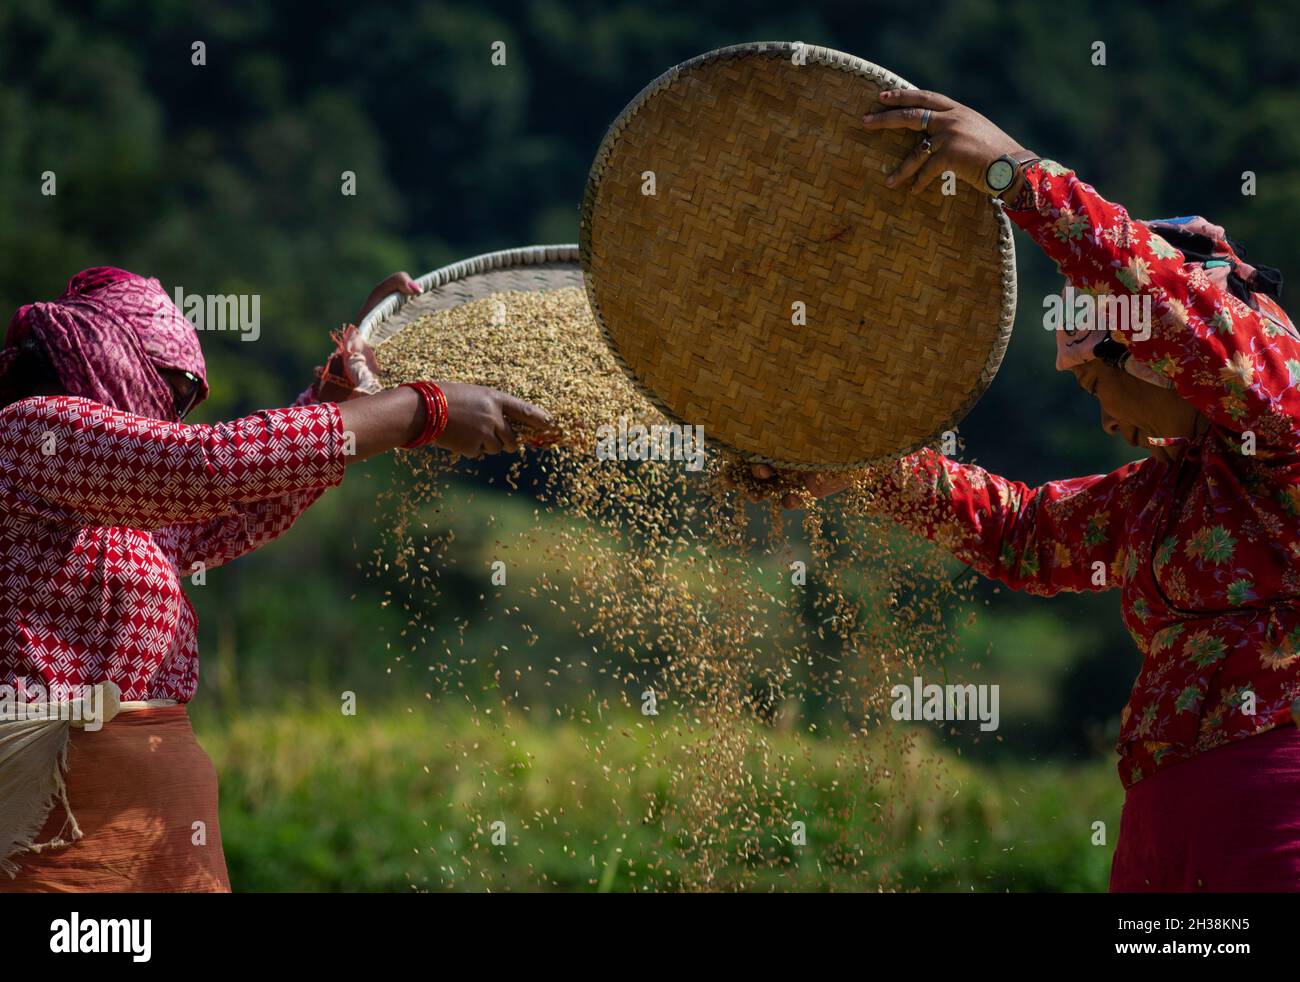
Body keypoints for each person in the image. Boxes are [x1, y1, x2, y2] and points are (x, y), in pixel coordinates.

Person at [751, 88, 1300, 892]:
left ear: (1147, 358)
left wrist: (1014, 174)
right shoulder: (1168, 492)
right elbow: (1027, 536)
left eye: (1094, 386)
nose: (1106, 419)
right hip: (1166, 823)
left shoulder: (1281, 420)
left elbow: (1169, 309)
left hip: (1272, 811)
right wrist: (858, 464)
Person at [0, 266, 551, 891]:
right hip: (57, 831)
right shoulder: (29, 434)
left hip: (154, 832)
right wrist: (422, 410)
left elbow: (238, 506)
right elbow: (206, 470)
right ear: (100, 356)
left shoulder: (127, 507)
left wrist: (340, 386)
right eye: (170, 388)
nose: (174, 411)